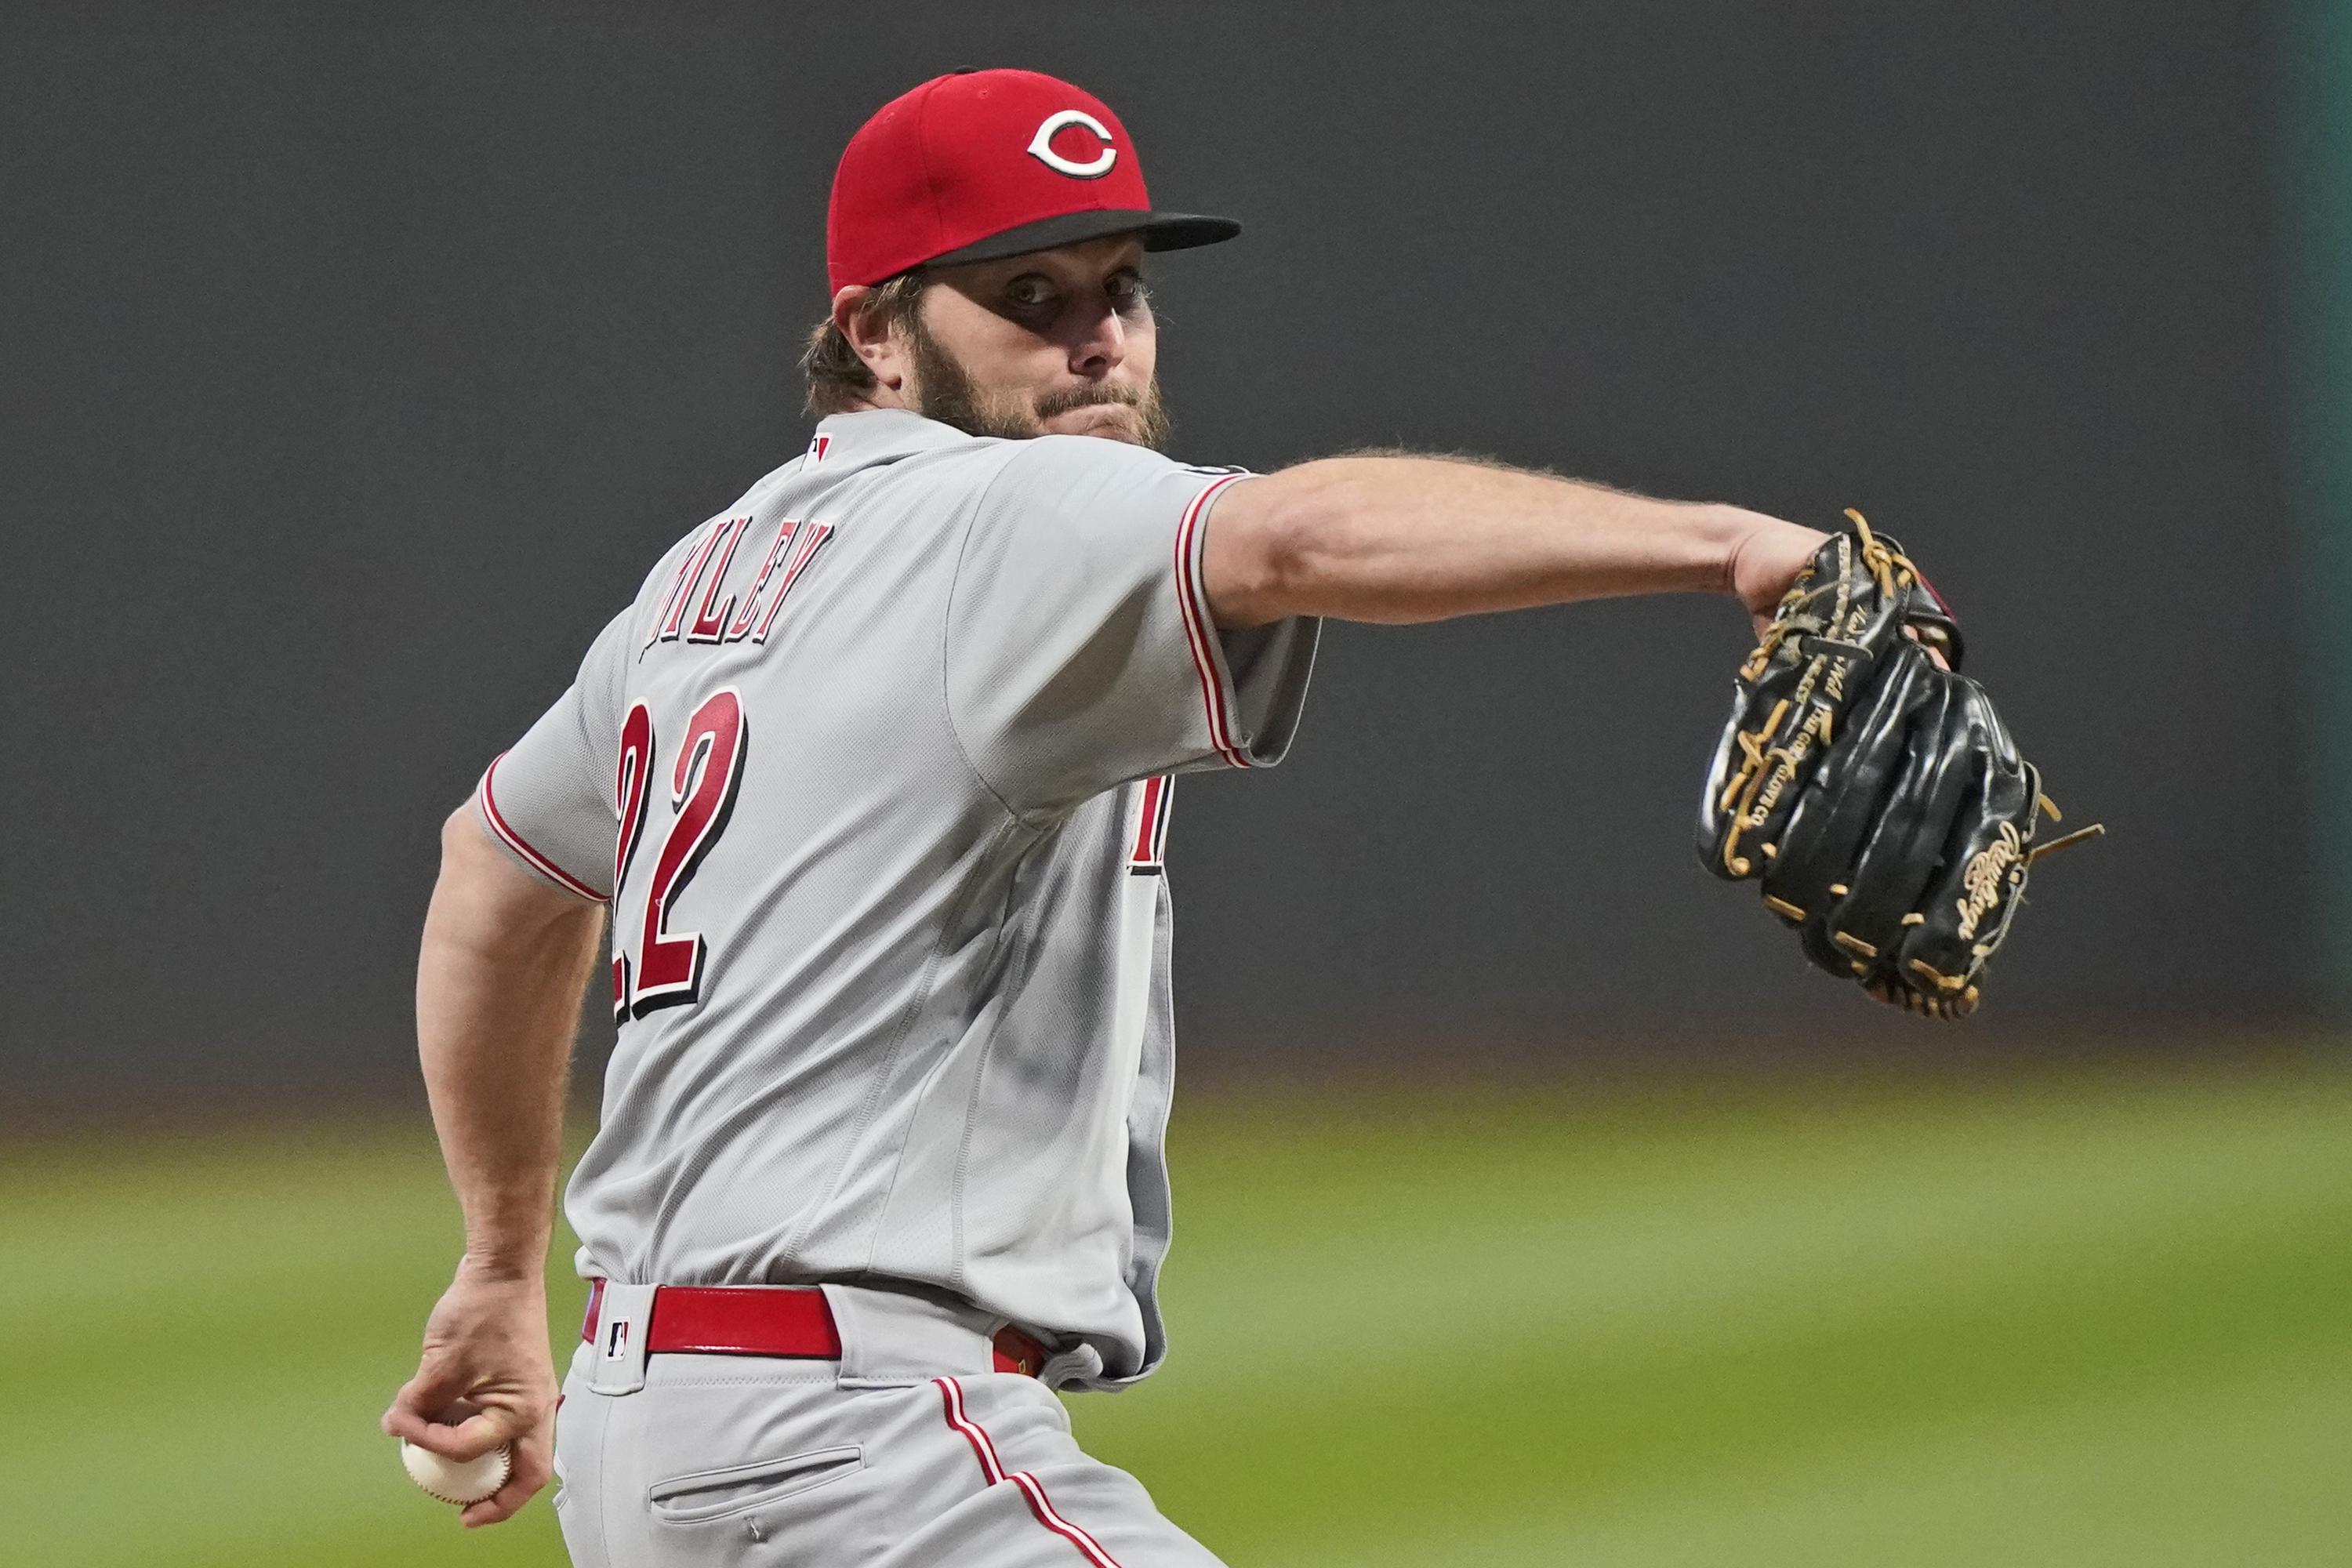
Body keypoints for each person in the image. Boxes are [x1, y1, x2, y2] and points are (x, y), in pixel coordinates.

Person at [380, 66, 1827, 1567]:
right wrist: (1732, 546)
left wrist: (499, 1263)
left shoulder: (698, 586)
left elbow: (495, 867)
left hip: (657, 1436)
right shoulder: (1007, 510)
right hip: (853, 1447)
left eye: (1121, 288)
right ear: (874, 335)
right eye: (1028, 292)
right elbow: (1302, 534)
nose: (1099, 340)